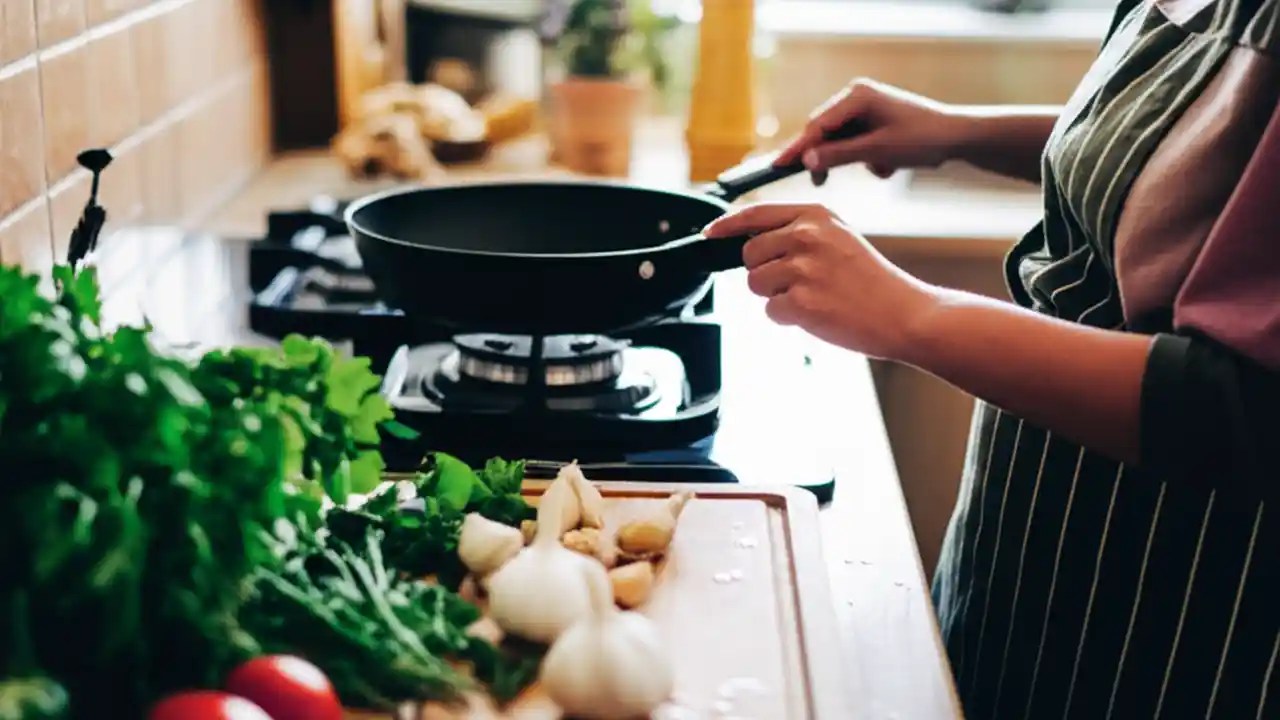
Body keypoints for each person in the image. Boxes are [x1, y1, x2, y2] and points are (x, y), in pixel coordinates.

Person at [702, 0, 1279, 718]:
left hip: (1171, 618)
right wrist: (956, 132)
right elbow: (1192, 159)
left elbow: (1244, 408)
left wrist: (914, 314)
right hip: (1035, 553)